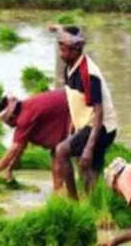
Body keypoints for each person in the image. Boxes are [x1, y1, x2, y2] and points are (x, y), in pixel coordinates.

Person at [50, 24, 118, 199]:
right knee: (91, 174)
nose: (60, 53)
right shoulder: (69, 68)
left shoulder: (88, 74)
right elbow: (76, 103)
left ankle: (74, 203)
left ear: (75, 50)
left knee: (61, 151)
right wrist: (72, 132)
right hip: (89, 124)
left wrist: (88, 147)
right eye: (60, 48)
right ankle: (94, 206)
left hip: (101, 127)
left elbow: (99, 110)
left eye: (63, 49)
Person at [0, 90, 72, 192]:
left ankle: (65, 192)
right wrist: (9, 169)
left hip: (72, 109)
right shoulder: (26, 106)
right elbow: (20, 147)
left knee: (59, 153)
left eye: (7, 122)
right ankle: (58, 191)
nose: (8, 126)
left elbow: (13, 149)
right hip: (64, 105)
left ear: (11, 117)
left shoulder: (24, 119)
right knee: (56, 153)